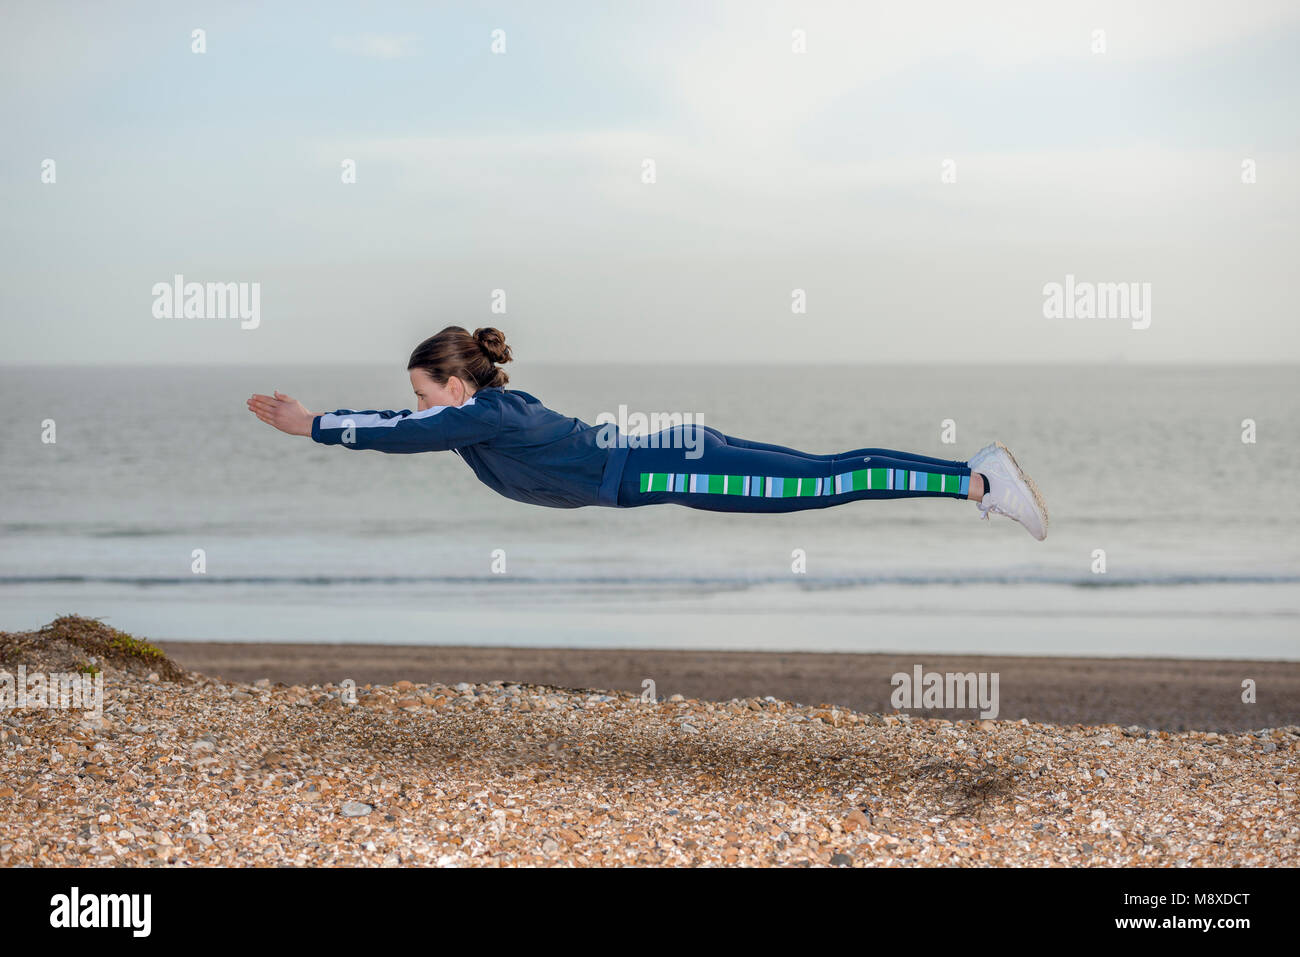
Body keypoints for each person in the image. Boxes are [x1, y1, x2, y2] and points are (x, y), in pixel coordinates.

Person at [247, 326, 1049, 539]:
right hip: (675, 457)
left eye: (423, 394)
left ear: (454, 386)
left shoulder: (483, 414)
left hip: (676, 467)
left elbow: (394, 433)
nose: (416, 408)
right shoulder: (479, 420)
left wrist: (315, 425)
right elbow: (402, 427)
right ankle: (975, 476)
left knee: (829, 479)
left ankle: (978, 479)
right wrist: (321, 424)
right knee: (825, 474)